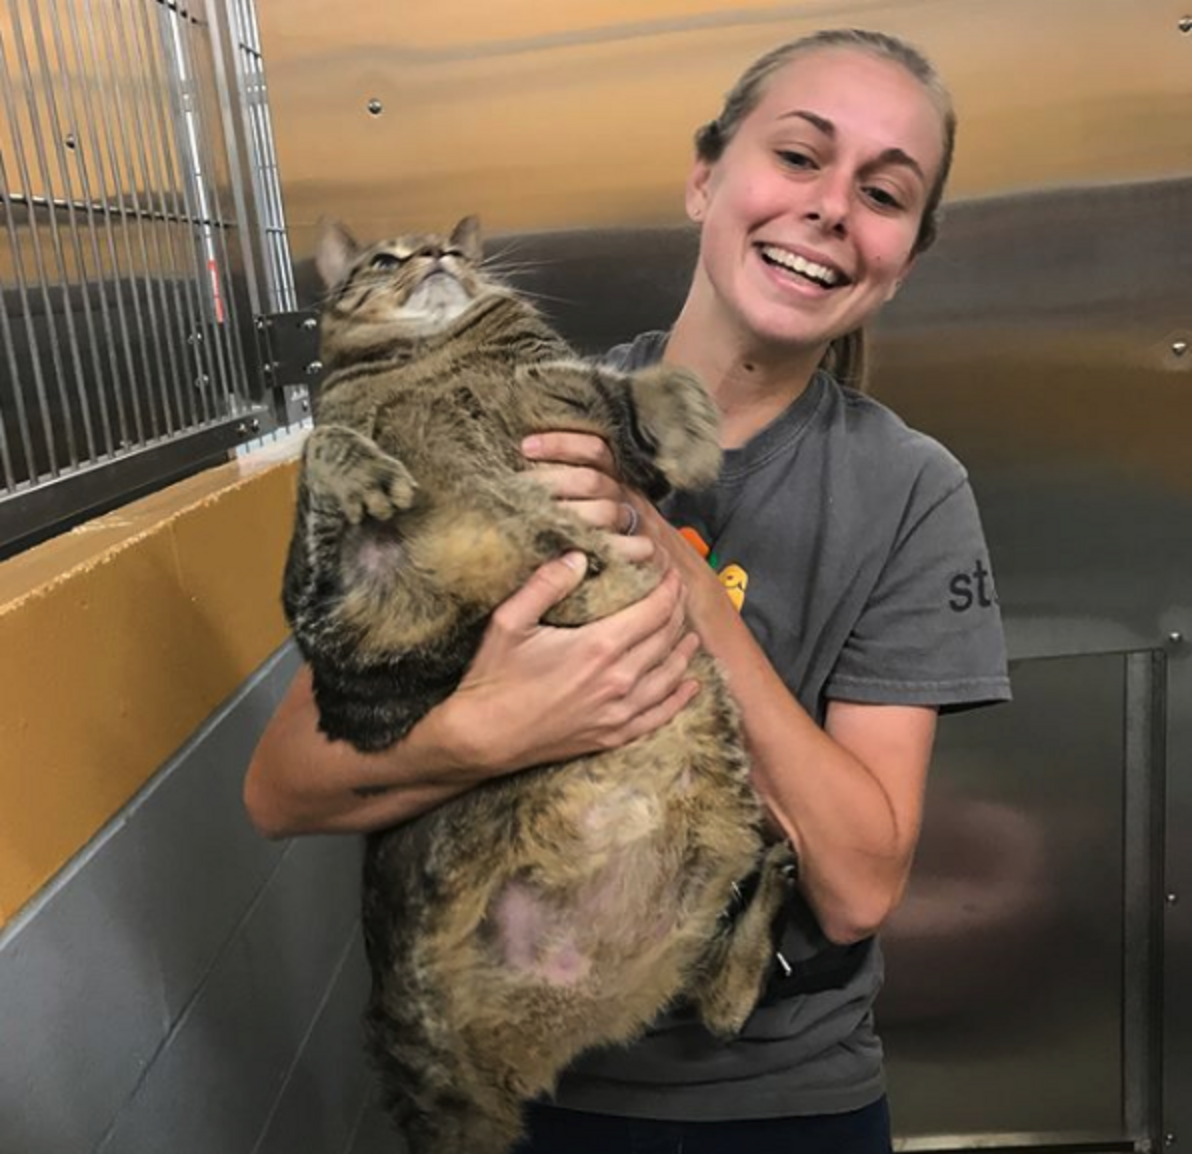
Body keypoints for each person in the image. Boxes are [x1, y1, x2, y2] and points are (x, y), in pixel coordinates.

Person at [245, 27, 1011, 1154]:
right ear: (705, 176)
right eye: (798, 157)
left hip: (783, 1090)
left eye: (884, 192)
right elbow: (280, 788)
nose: (832, 207)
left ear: (903, 252)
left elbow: (854, 887)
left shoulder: (909, 492)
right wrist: (487, 726)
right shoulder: (500, 407)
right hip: (516, 1080)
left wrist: (682, 575)